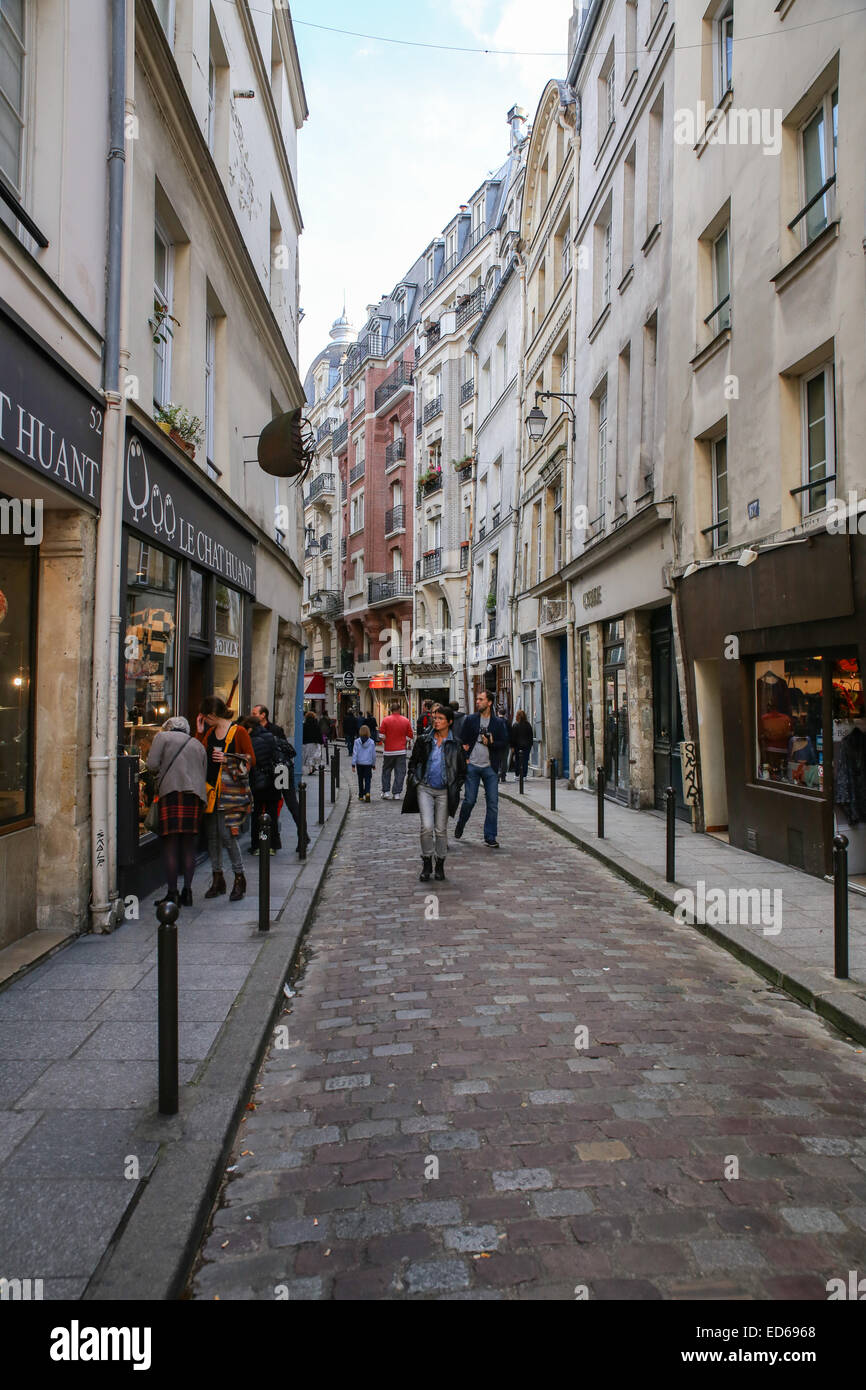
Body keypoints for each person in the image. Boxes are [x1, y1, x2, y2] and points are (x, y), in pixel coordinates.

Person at [196, 697, 256, 900]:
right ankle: (218, 878)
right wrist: (200, 732)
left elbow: (250, 759)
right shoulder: (210, 733)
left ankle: (239, 877)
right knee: (212, 836)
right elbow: (198, 755)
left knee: (227, 836)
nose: (205, 720)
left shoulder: (237, 731)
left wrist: (227, 759)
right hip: (211, 792)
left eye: (205, 717)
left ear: (212, 715)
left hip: (230, 793)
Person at [146, 715, 207, 907]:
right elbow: (203, 771)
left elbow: (152, 765)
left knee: (170, 845)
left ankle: (172, 893)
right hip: (195, 796)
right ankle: (187, 891)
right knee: (188, 845)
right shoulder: (197, 744)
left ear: (168, 727)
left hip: (172, 793)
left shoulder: (162, 738)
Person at [407, 703, 467, 881]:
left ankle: (440, 863)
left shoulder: (455, 744)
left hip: (444, 791)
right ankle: (426, 861)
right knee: (426, 827)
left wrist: (455, 785)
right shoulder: (424, 740)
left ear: (449, 722)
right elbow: (413, 762)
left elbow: (462, 771)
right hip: (424, 788)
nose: (436, 721)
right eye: (435, 718)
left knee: (440, 830)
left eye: (440, 718)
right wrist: (415, 780)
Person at [455, 688, 510, 848]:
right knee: (469, 800)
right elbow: (462, 741)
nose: (477, 701)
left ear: (489, 702)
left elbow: (504, 743)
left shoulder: (498, 723)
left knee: (493, 803)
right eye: (477, 699)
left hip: (490, 768)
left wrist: (492, 743)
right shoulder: (471, 719)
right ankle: (461, 823)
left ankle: (490, 836)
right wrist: (465, 759)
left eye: (481, 699)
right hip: (472, 765)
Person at [252, 703, 305, 851]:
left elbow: (286, 750)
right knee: (272, 807)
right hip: (268, 774)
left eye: (255, 713)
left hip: (280, 772)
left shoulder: (274, 730)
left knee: (291, 804)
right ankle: (275, 841)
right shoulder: (257, 731)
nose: (253, 715)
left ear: (263, 715)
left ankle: (303, 835)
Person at [240, 715, 280, 855]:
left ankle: (257, 845)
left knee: (257, 815)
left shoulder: (250, 741)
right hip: (273, 781)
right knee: (272, 815)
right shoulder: (271, 736)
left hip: (257, 783)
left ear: (250, 729)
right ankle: (272, 845)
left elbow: (251, 763)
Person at [379, 700, 414, 799]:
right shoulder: (405, 720)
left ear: (391, 710)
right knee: (400, 772)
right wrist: (404, 741)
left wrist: (386, 741)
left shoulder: (385, 720)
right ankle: (397, 793)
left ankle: (386, 792)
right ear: (399, 709)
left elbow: (381, 736)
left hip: (388, 751)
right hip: (401, 751)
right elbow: (410, 735)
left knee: (386, 771)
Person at [352, 724, 376, 801]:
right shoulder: (371, 742)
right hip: (368, 763)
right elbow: (373, 754)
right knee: (368, 779)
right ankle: (367, 793)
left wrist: (353, 764)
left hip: (359, 763)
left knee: (360, 779)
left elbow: (355, 753)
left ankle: (361, 795)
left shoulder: (356, 741)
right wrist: (373, 764)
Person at [510, 708, 534, 780]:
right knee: (525, 760)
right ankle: (524, 775)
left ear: (517, 716)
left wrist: (512, 747)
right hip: (527, 746)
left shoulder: (515, 725)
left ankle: (517, 775)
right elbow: (531, 736)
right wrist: (530, 745)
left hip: (517, 746)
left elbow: (513, 737)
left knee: (517, 760)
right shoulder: (528, 725)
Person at [302, 708, 324, 777]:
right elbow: (319, 734)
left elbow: (303, 734)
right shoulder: (316, 724)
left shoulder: (304, 725)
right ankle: (313, 767)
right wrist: (321, 742)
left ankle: (310, 769)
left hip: (307, 742)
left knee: (308, 756)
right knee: (314, 756)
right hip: (315, 742)